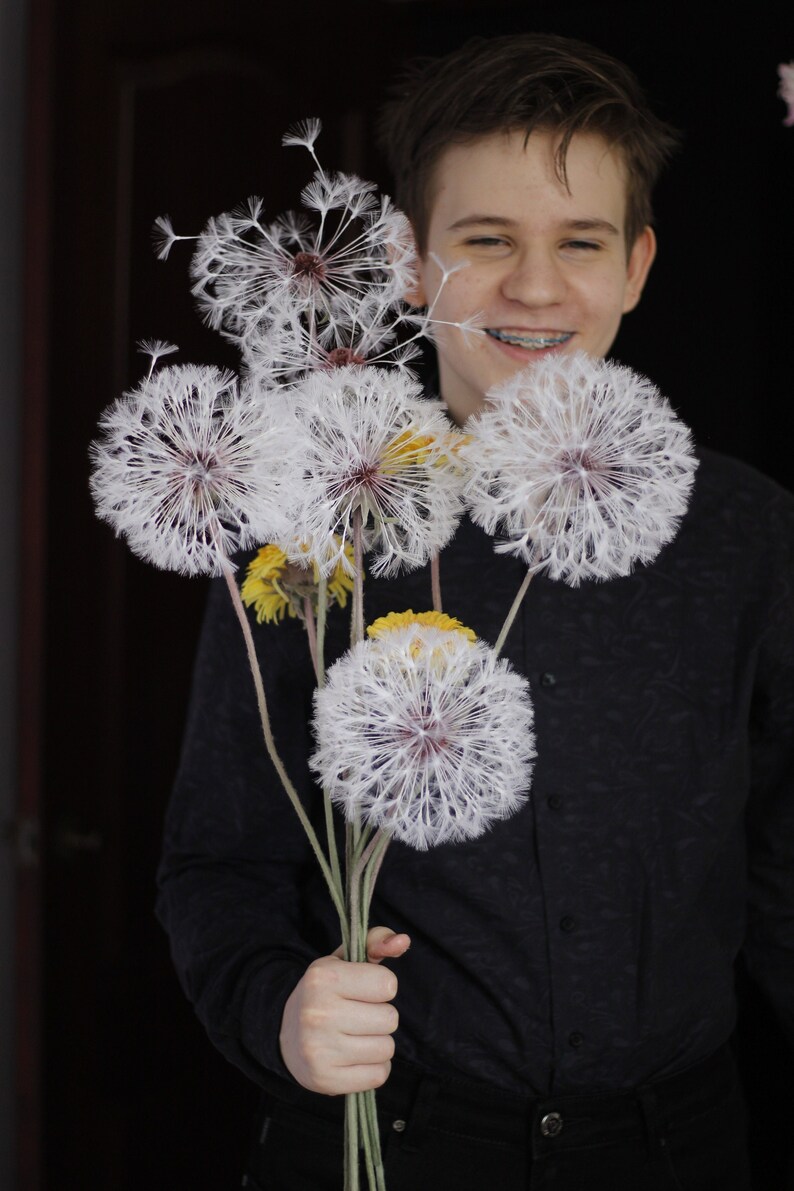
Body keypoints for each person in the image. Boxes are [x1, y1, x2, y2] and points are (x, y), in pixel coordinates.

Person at [156, 32, 794, 1190]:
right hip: (384, 1155)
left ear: (638, 266)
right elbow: (216, 865)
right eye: (485, 241)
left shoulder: (749, 537)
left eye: (579, 244)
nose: (536, 288)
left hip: (679, 1153)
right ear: (408, 262)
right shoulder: (301, 534)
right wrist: (278, 1011)